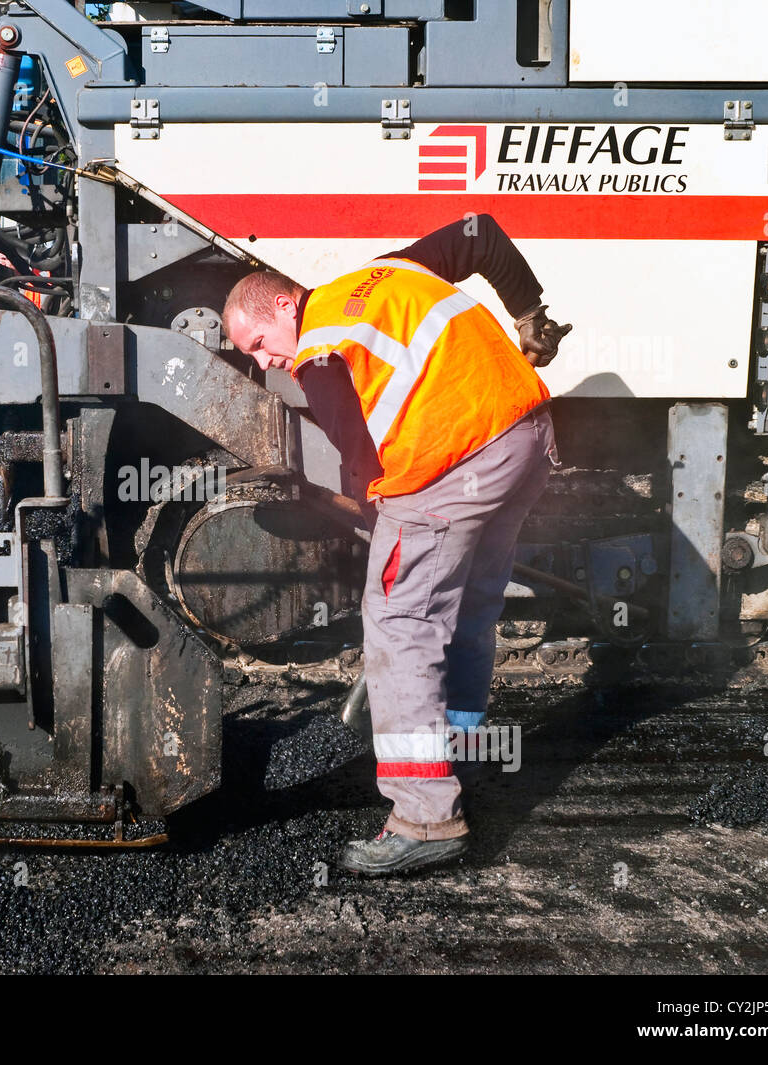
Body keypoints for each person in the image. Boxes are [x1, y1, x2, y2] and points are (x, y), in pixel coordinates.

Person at [221, 214, 571, 876]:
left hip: (453, 465)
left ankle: (424, 815)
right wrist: (529, 314)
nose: (264, 360)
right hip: (526, 440)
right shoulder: (389, 271)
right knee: (469, 607)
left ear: (284, 302)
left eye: (260, 341)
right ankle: (457, 744)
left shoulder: (318, 350)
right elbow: (479, 234)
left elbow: (362, 467)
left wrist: (363, 515)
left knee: (400, 621)